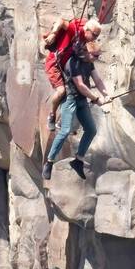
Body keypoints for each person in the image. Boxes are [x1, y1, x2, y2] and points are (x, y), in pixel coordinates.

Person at [42, 40, 108, 180]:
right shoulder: (73, 63)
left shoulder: (89, 63)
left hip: (81, 100)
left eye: (97, 56)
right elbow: (80, 85)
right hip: (70, 98)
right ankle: (49, 162)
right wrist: (96, 99)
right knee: (65, 130)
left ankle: (78, 160)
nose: (97, 58)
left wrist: (106, 95)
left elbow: (97, 80)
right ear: (86, 52)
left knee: (91, 130)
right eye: (95, 55)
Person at [41, 14, 102, 129]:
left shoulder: (86, 37)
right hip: (54, 63)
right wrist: (54, 33)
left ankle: (63, 119)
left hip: (66, 63)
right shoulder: (75, 29)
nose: (95, 38)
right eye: (94, 35)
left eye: (97, 36)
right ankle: (52, 115)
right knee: (61, 91)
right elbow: (61, 20)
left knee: (74, 91)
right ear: (87, 30)